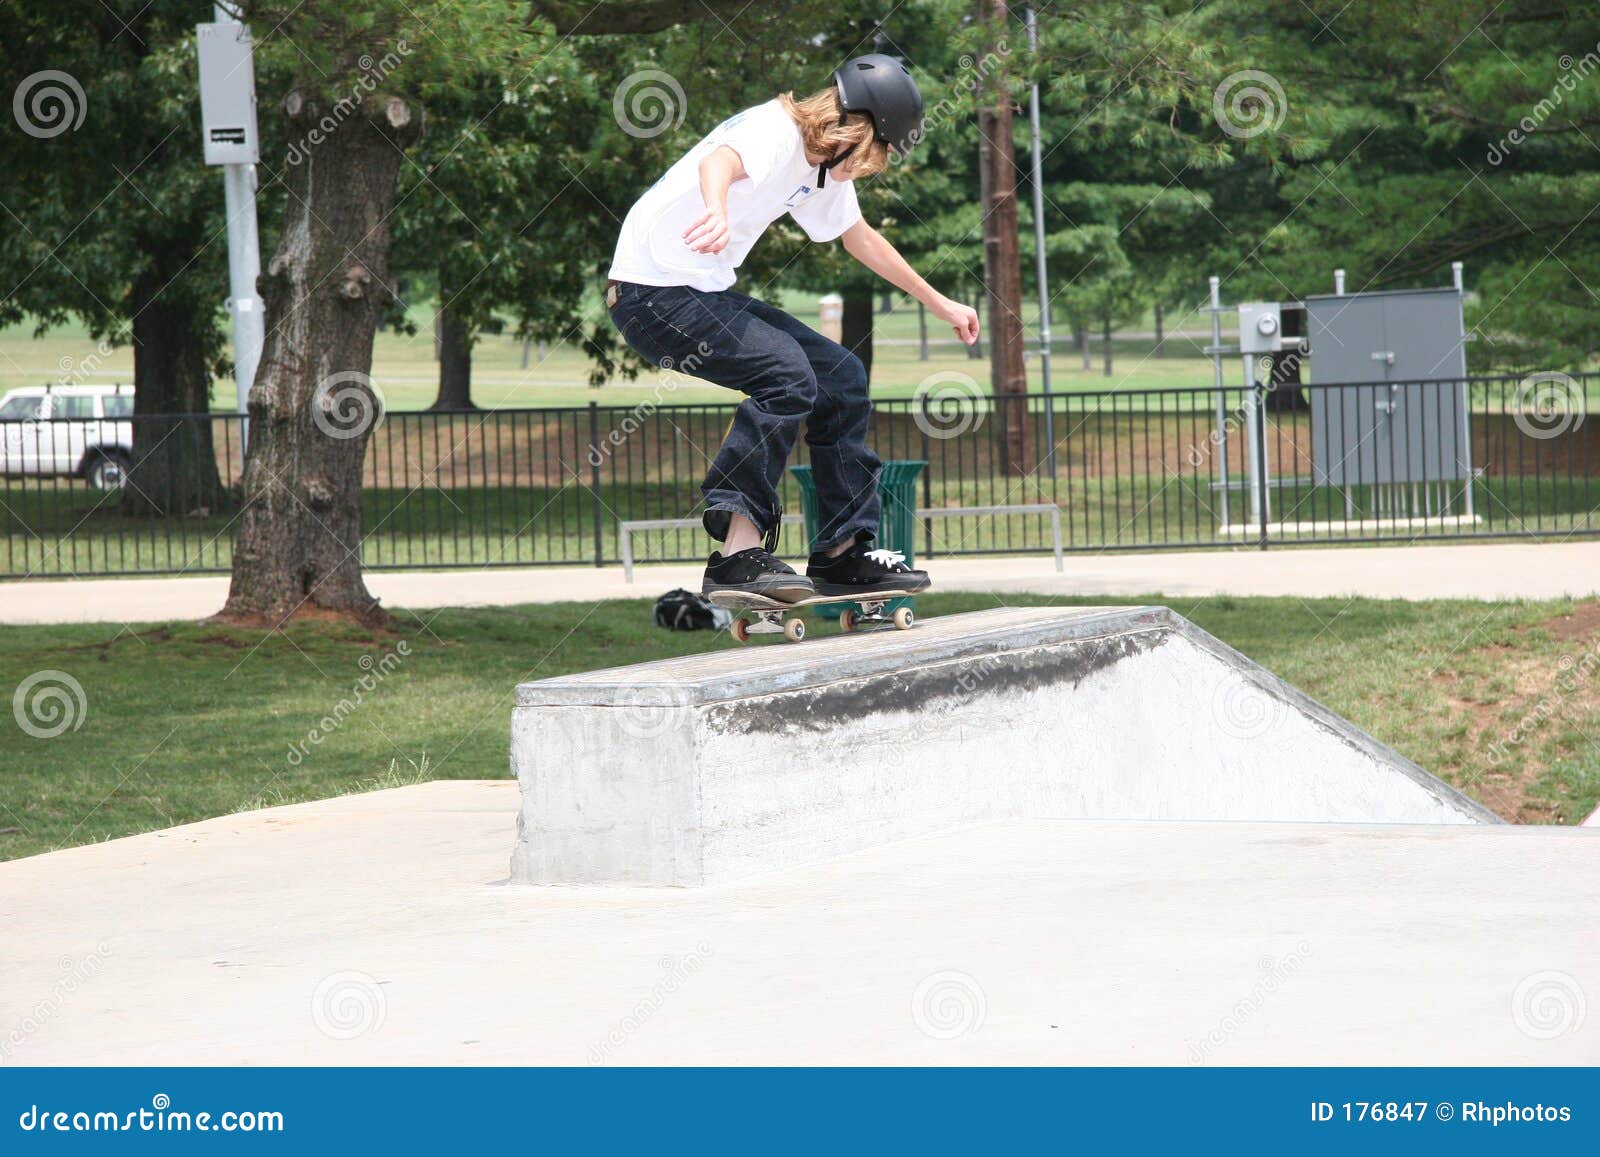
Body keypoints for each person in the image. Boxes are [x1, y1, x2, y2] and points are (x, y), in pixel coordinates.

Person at [605, 54, 981, 601]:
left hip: (699, 293)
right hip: (649, 294)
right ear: (855, 126)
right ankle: (737, 554)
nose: (870, 166)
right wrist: (718, 210)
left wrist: (940, 302)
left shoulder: (824, 165)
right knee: (785, 375)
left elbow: (860, 238)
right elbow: (720, 162)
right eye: (876, 152)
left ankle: (841, 551)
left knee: (841, 376)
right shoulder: (776, 129)